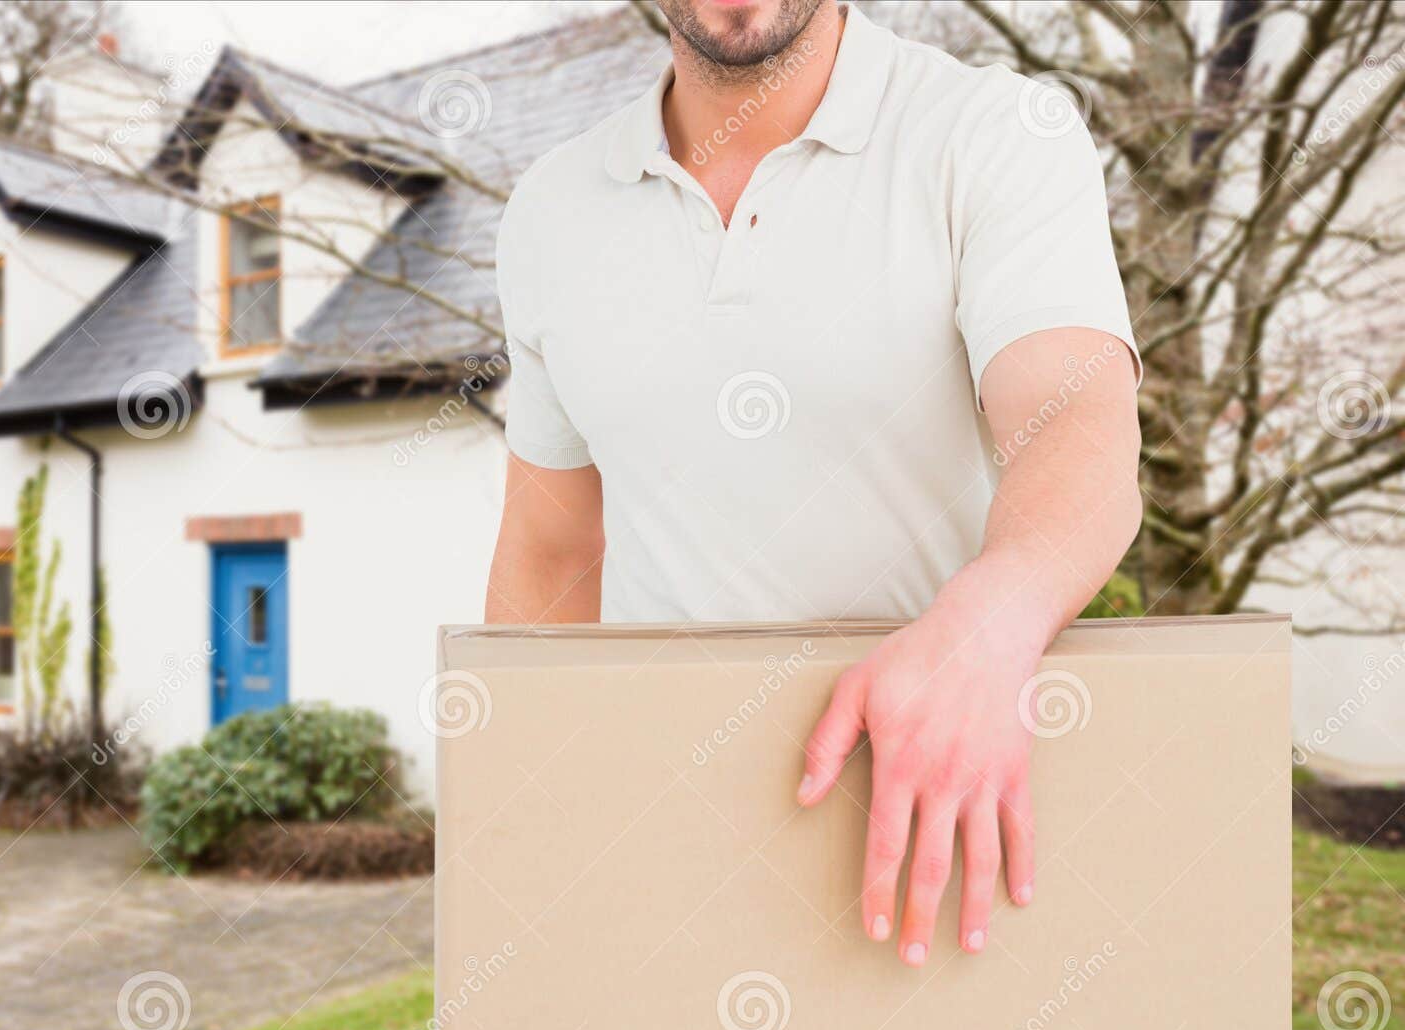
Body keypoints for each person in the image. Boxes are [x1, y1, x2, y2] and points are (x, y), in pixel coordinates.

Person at [485, 0, 1142, 968]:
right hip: (653, 849)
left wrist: (988, 626)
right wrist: (517, 828)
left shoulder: (992, 133)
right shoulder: (550, 207)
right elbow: (551, 549)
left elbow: (1077, 430)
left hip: (926, 826)